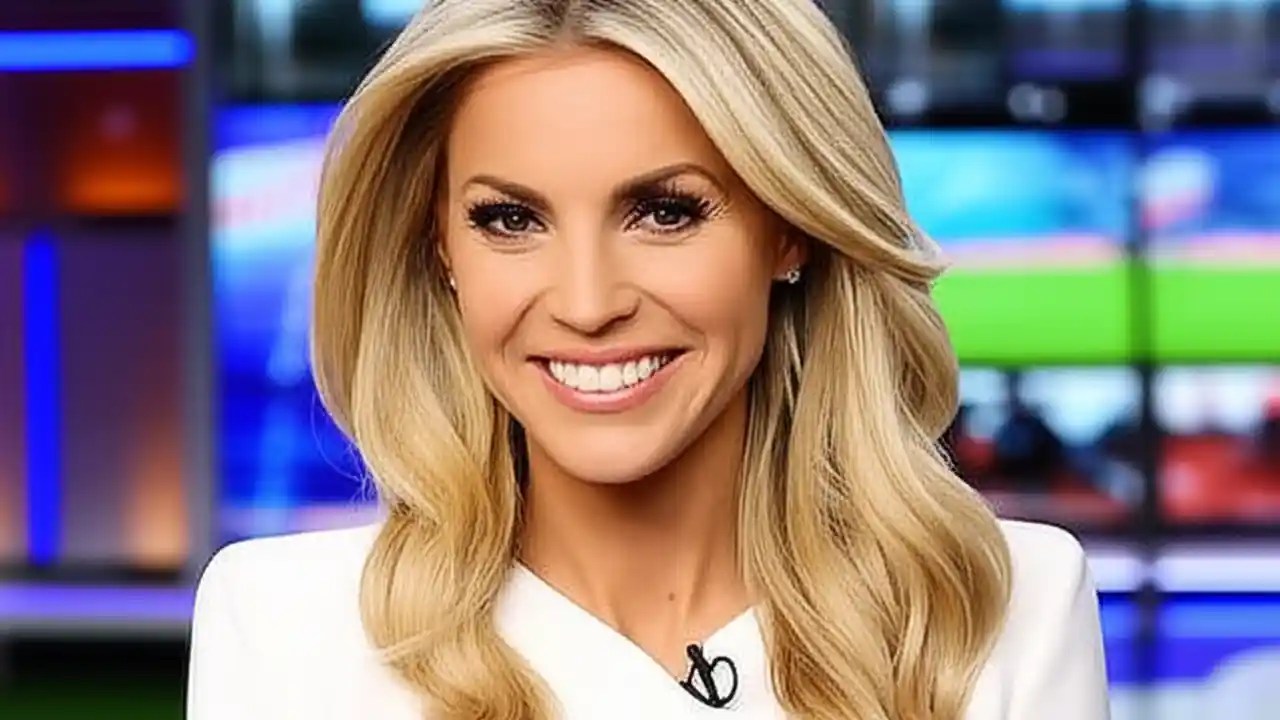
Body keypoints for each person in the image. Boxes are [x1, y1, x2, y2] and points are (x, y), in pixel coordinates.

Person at [187, 1, 1111, 718]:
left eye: (666, 212)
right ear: (440, 249)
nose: (588, 304)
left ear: (789, 229)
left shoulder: (1004, 607)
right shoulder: (284, 627)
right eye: (510, 220)